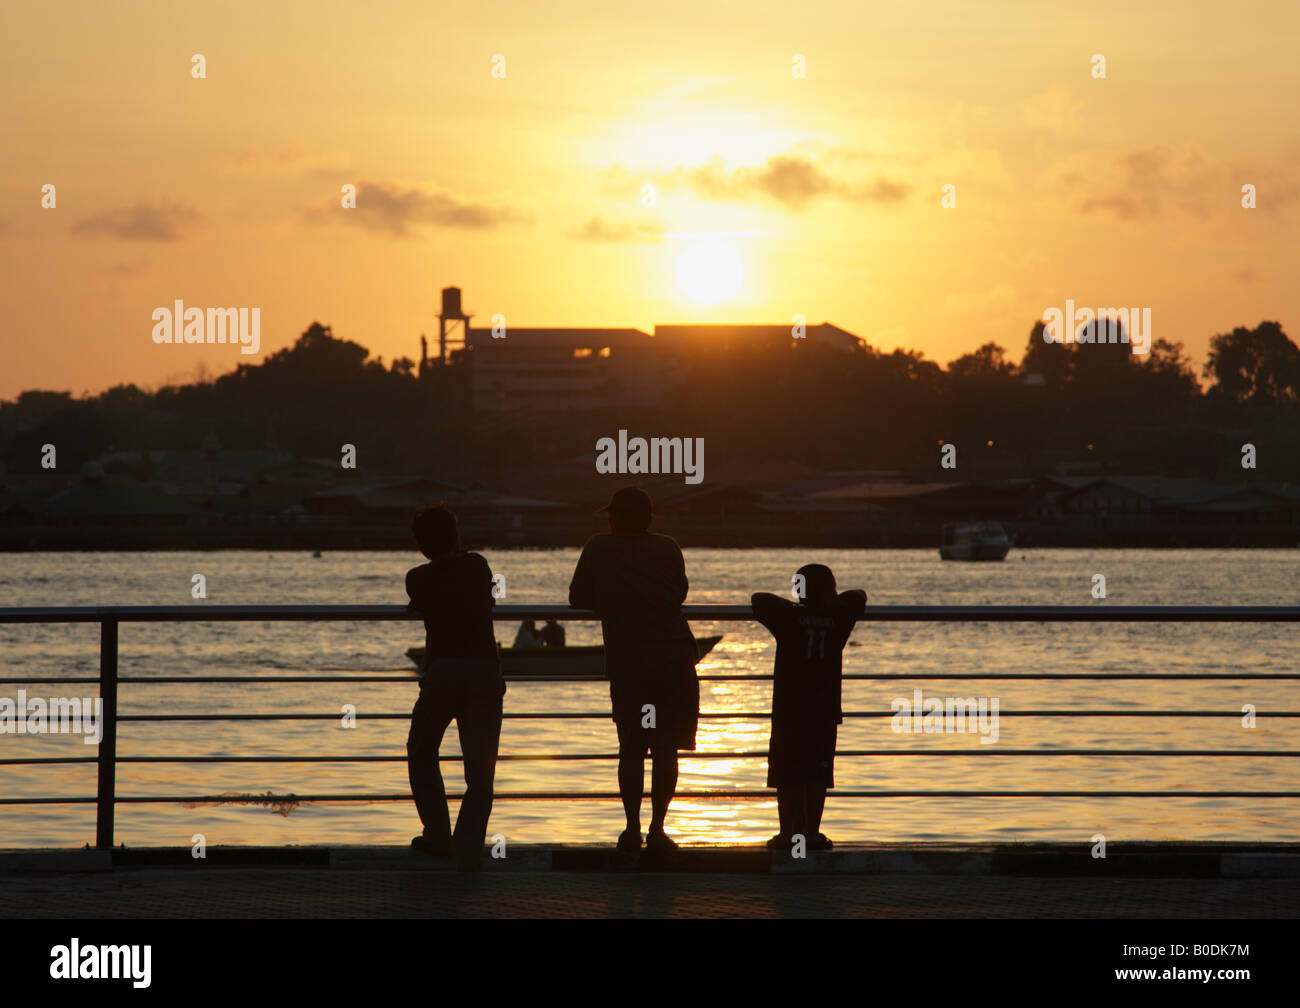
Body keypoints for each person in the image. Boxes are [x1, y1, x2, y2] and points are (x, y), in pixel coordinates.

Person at [568, 487, 700, 854]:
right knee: (666, 749)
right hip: (675, 659)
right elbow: (678, 594)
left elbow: (577, 597)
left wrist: (613, 598)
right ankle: (658, 831)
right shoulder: (669, 547)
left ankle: (630, 830)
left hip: (631, 665)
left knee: (631, 748)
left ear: (615, 518)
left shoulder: (598, 547)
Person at [405, 503, 505, 871]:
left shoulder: (416, 578)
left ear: (422, 545)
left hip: (443, 673)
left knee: (421, 750)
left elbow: (425, 601)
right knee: (480, 772)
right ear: (457, 535)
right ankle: (466, 851)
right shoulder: (478, 565)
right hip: (483, 671)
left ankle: (437, 834)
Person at [751, 564, 866, 852]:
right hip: (823, 708)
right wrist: (831, 603)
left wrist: (795, 606)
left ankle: (787, 833)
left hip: (789, 708)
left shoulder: (788, 618)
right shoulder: (839, 617)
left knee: (786, 771)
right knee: (818, 772)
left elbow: (759, 599)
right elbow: (859, 596)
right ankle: (811, 834)